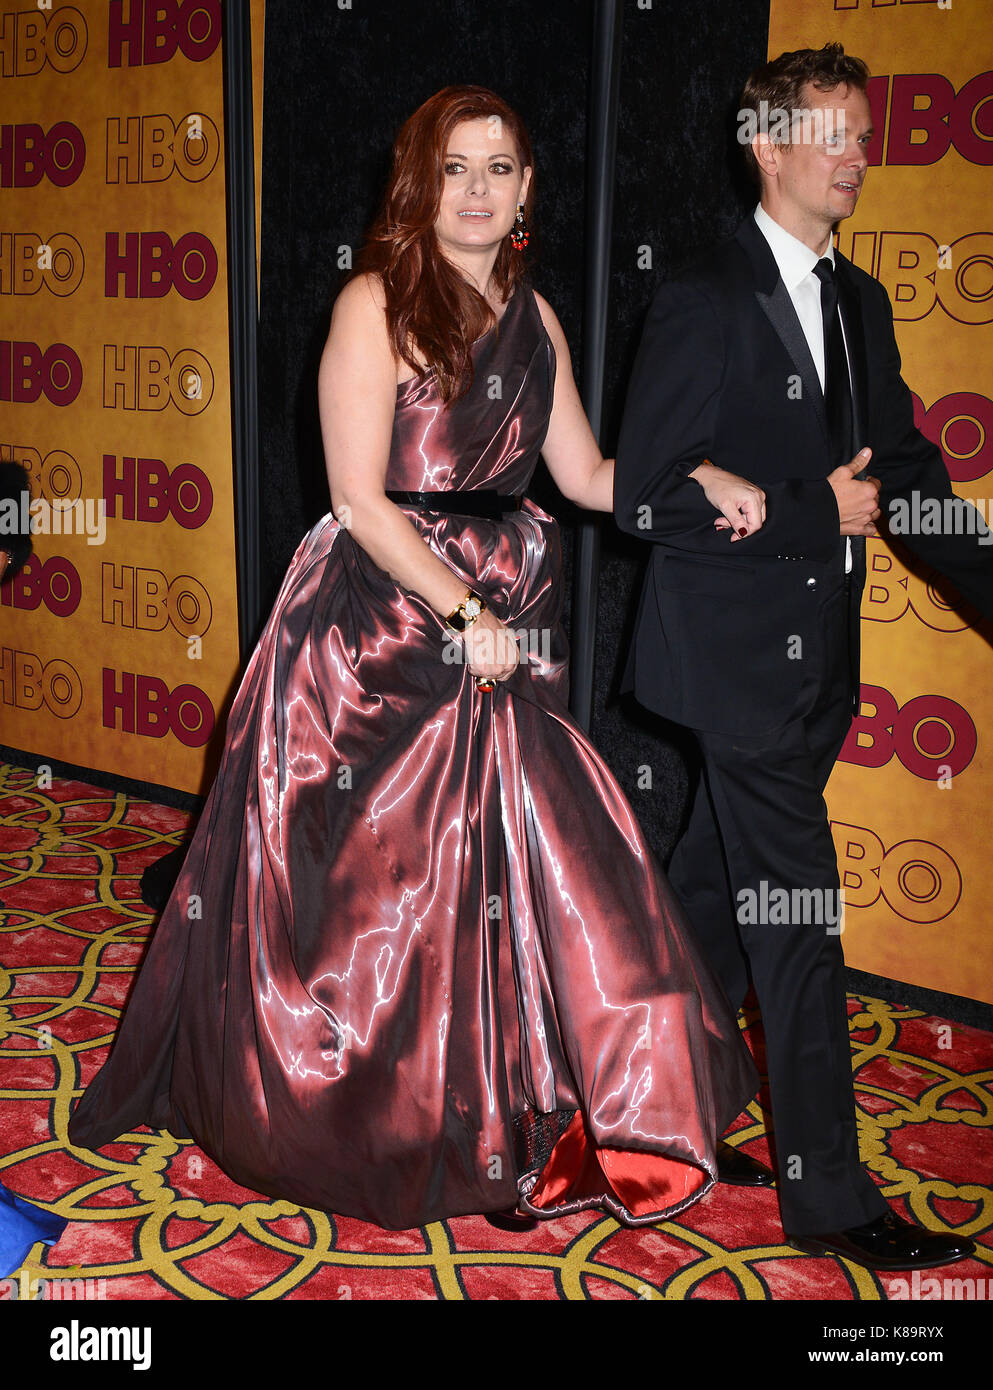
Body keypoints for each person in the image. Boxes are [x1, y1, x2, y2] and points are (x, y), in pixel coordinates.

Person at [68, 86, 763, 1232]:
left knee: (530, 863)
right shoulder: (373, 302)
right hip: (379, 628)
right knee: (388, 889)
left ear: (529, 187)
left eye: (500, 168)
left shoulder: (536, 321)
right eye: (456, 169)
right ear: (419, 182)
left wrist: (697, 486)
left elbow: (587, 478)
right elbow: (354, 497)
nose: (480, 190)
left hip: (502, 622)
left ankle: (531, 1114)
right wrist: (462, 607)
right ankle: (382, 1116)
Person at [614, 43, 993, 1270]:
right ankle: (827, 1193)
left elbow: (907, 478)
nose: (856, 156)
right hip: (731, 667)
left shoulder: (860, 299)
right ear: (764, 145)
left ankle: (629, 1109)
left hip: (815, 663)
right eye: (829, 133)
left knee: (710, 906)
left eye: (864, 135)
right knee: (800, 917)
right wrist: (795, 511)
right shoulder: (706, 294)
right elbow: (642, 497)